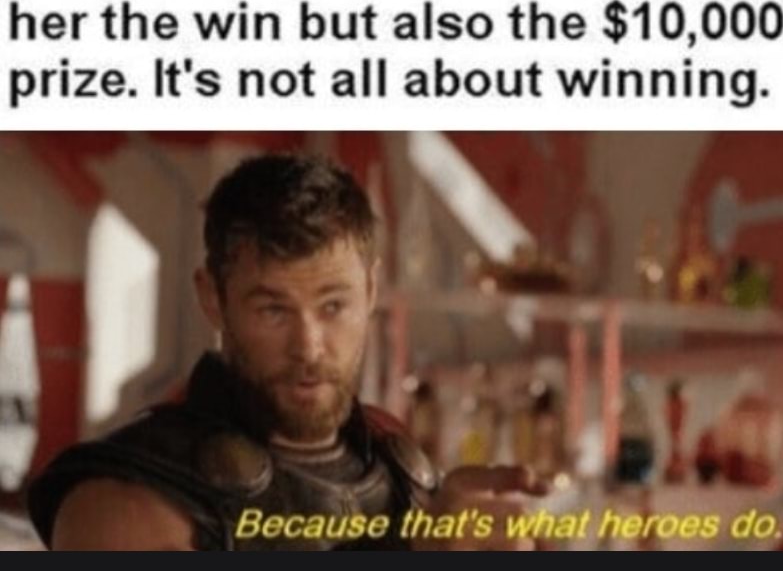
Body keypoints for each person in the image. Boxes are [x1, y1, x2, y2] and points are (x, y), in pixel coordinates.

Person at [27, 153, 545, 550]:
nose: (309, 347)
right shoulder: (124, 502)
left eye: (333, 306)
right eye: (273, 310)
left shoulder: (399, 465)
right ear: (214, 297)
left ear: (370, 292)